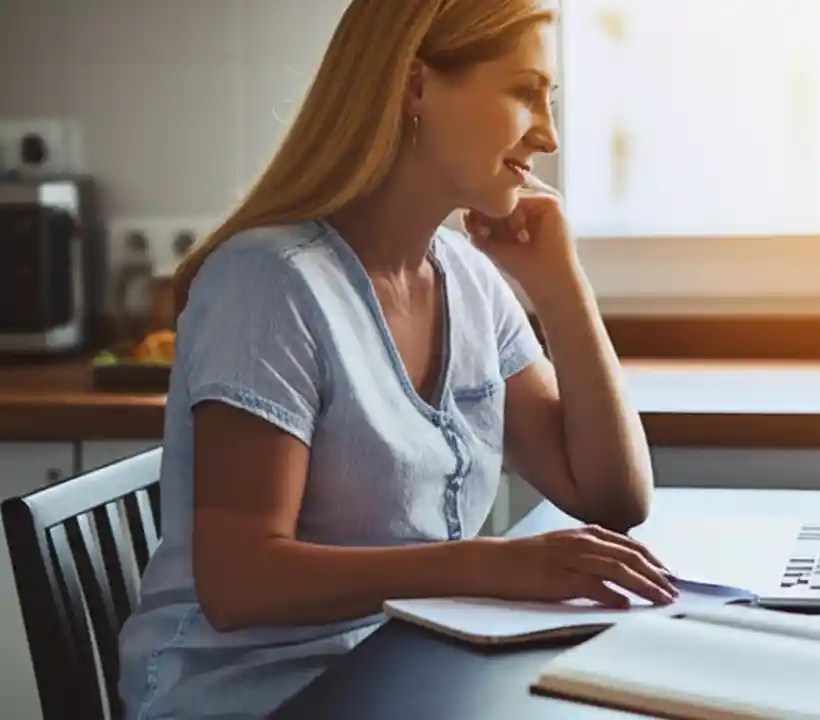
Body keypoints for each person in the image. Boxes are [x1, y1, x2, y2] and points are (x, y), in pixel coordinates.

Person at [116, 1, 678, 717]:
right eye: (524, 93)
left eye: (551, 99)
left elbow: (612, 498)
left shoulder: (467, 281)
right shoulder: (269, 281)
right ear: (414, 87)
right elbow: (239, 582)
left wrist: (562, 288)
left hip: (403, 677)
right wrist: (488, 566)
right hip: (248, 698)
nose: (549, 134)